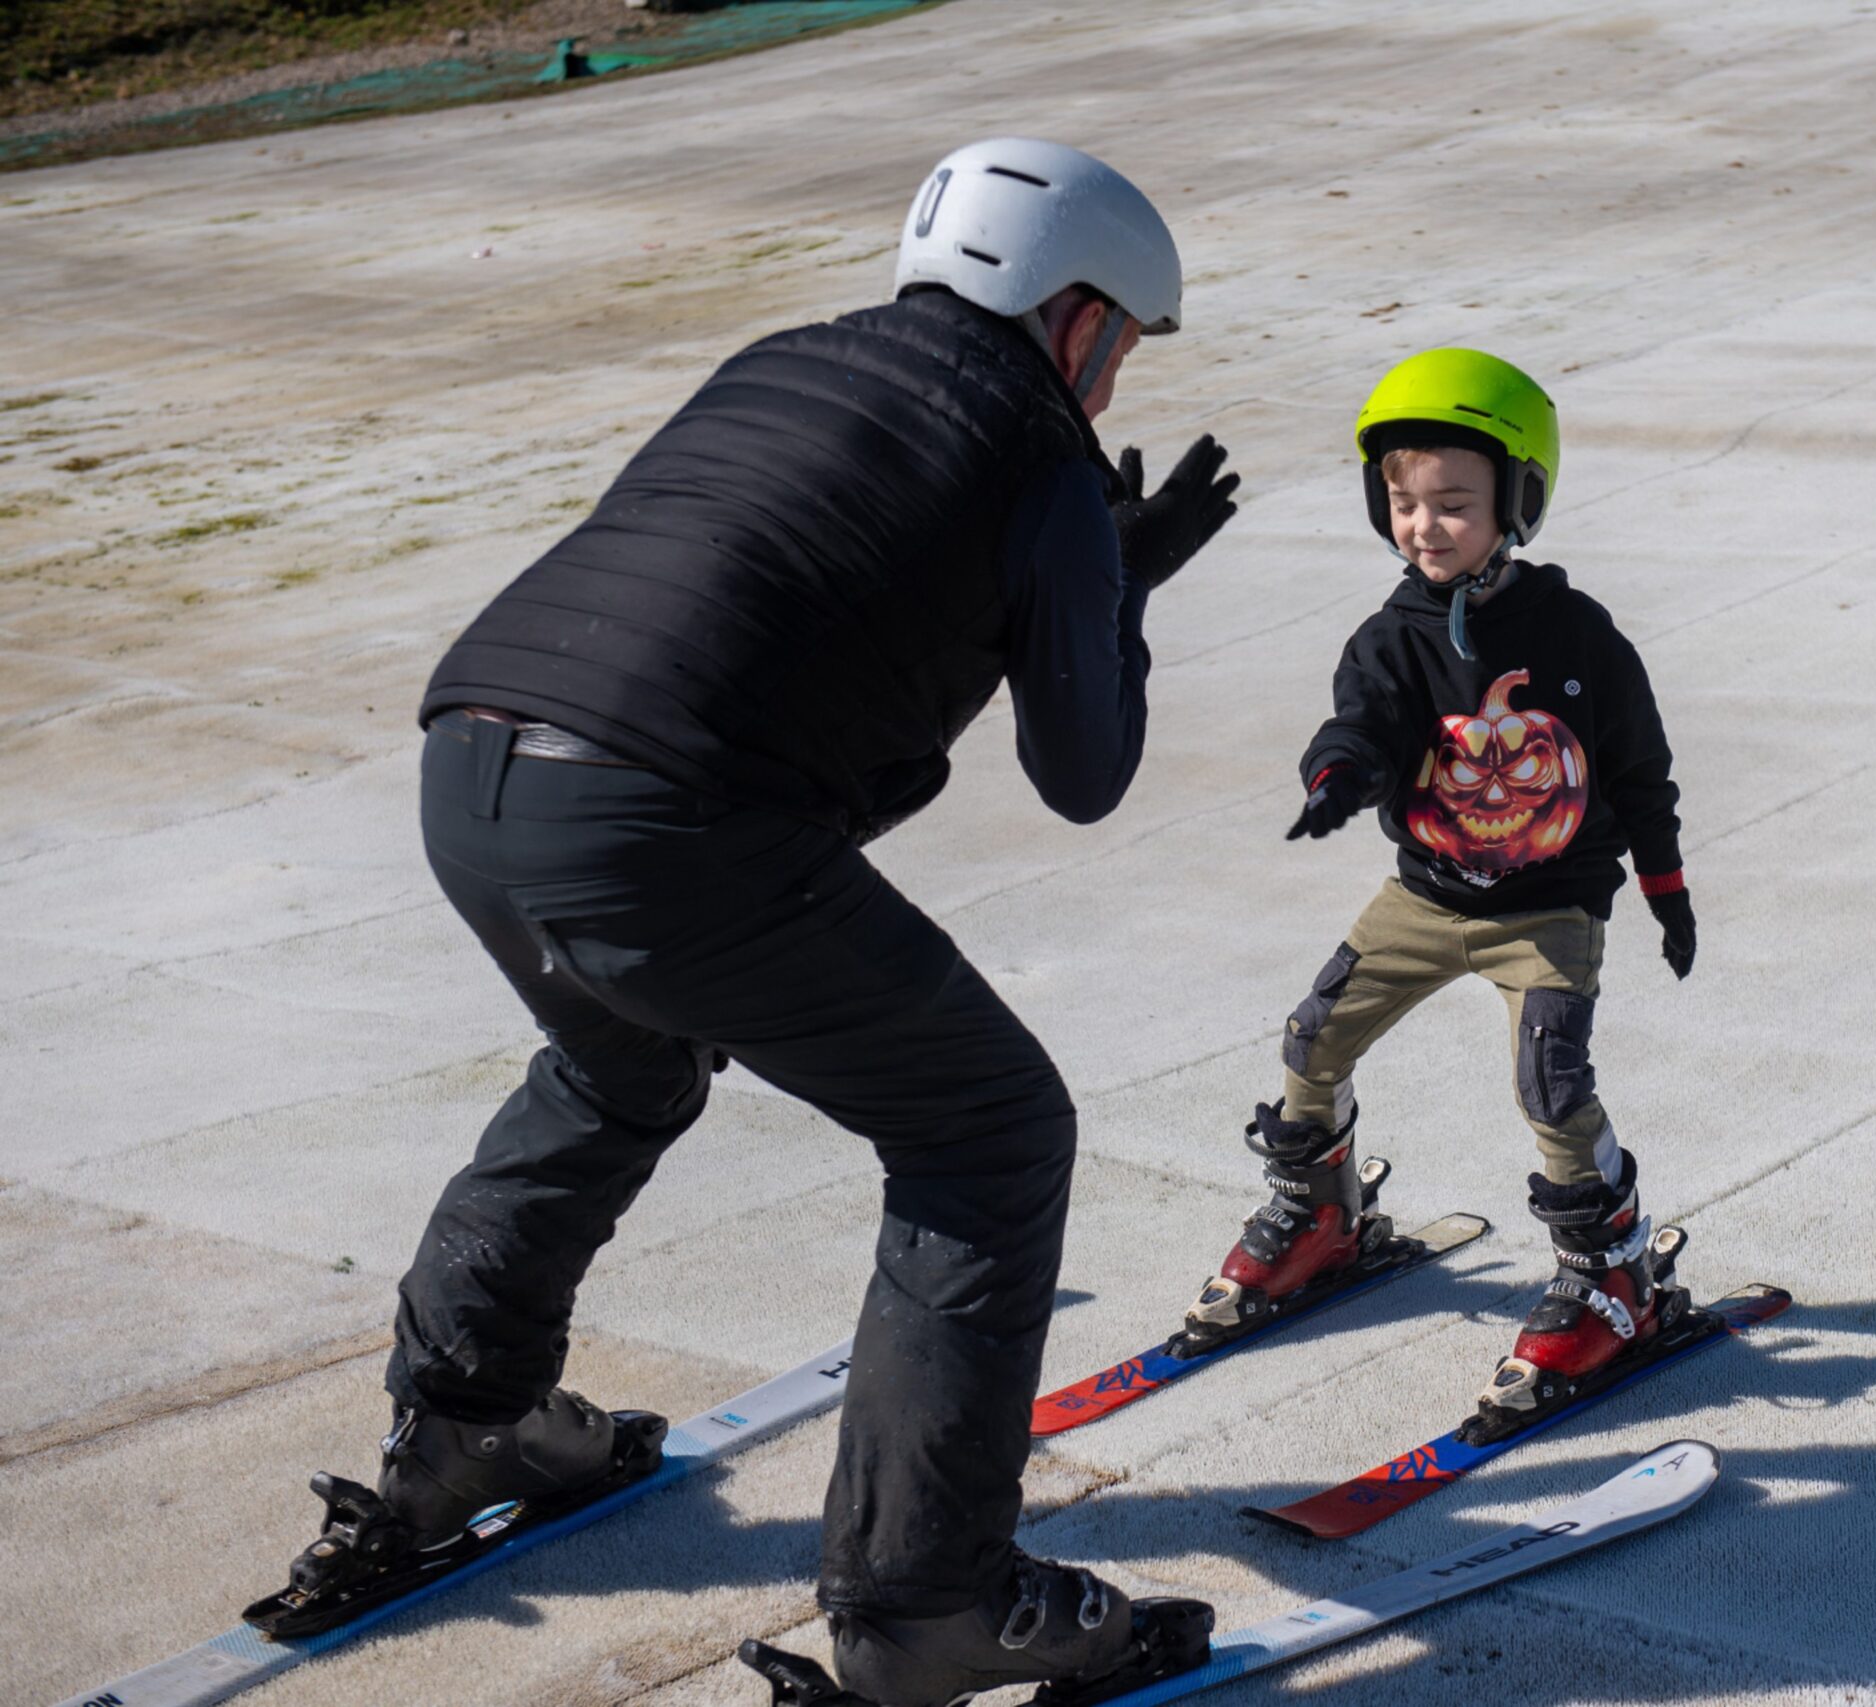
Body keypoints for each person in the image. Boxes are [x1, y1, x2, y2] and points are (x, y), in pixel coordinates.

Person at [286, 138, 1239, 1706]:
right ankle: (930, 1600)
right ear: (1073, 318)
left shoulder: (786, 356)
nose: (1116, 384)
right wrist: (1105, 595)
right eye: (1124, 345)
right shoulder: (1045, 454)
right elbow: (1086, 773)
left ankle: (466, 1424)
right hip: (660, 821)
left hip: (472, 763)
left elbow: (752, 588)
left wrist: (1062, 578)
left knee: (622, 1065)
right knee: (987, 1128)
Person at [1183, 348, 1698, 1426]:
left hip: (1546, 913)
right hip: (1424, 898)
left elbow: (1642, 769)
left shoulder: (1578, 637)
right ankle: (1319, 1214)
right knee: (1312, 1036)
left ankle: (1615, 1274)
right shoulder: (1390, 638)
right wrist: (1334, 774)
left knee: (1550, 1088)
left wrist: (1665, 886)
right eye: (1403, 503)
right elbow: (1361, 723)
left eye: (1454, 503)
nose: (1424, 525)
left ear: (1520, 501)